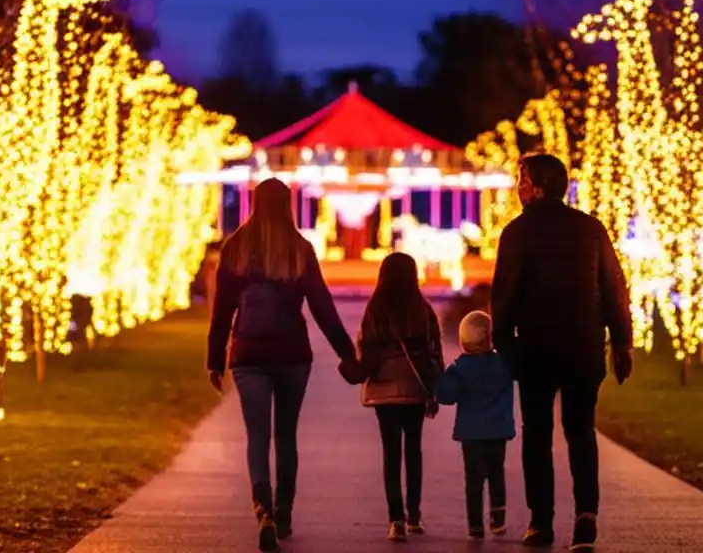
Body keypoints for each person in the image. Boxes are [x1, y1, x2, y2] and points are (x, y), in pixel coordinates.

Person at [207, 178, 357, 552]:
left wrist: (214, 360)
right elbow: (322, 306)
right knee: (286, 435)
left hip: (249, 355)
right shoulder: (299, 248)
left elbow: (223, 310)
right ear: (287, 206)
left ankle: (264, 511)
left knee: (257, 436)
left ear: (255, 204)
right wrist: (346, 352)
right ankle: (285, 511)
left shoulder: (236, 247)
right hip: (292, 354)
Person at [490, 154, 632, 551]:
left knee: (537, 436)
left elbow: (504, 296)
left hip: (536, 350)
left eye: (521, 181)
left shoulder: (518, 233)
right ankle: (586, 518)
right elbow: (614, 287)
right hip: (584, 348)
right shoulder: (590, 229)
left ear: (536, 187)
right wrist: (621, 342)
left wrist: (506, 348)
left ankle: (541, 523)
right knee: (580, 431)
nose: (517, 188)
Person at [355, 252, 444, 542]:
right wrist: (436, 387)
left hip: (383, 390)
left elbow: (363, 345)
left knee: (390, 453)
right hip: (414, 387)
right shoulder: (421, 309)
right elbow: (434, 350)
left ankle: (396, 519)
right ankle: (414, 514)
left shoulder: (375, 309)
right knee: (413, 449)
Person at [434, 310, 515, 540]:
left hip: (471, 434)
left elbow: (446, 395)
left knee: (474, 479)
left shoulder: (461, 368)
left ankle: (476, 525)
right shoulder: (503, 364)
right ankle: (498, 518)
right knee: (497, 473)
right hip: (498, 431)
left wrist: (440, 376)